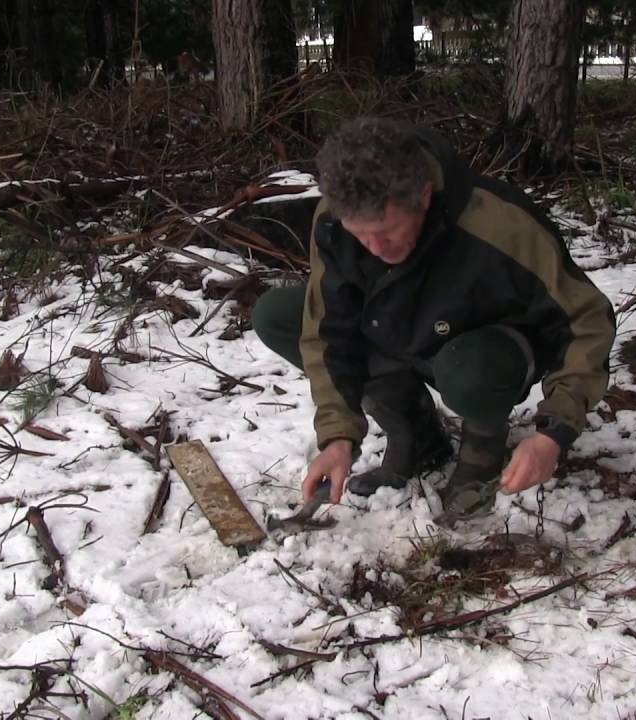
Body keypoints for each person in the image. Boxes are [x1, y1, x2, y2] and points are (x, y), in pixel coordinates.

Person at [252, 117, 616, 517]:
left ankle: (483, 452)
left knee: (470, 367)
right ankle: (417, 438)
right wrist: (338, 436)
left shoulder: (500, 224)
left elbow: (587, 321)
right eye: (361, 235)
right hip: (408, 332)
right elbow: (327, 331)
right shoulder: (336, 217)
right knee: (281, 315)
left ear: (424, 197)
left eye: (388, 232)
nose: (373, 248)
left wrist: (555, 433)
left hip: (488, 353)